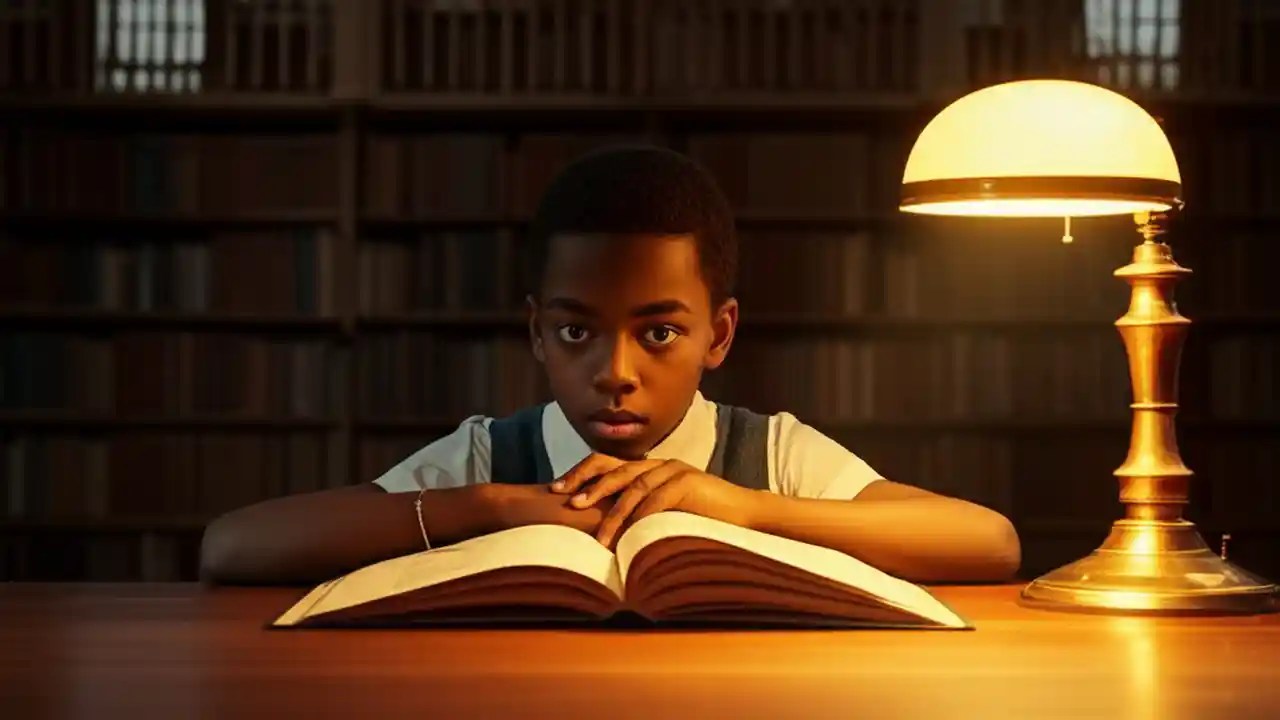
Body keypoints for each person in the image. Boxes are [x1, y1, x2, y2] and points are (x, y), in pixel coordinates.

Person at [200, 146, 1020, 585]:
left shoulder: (768, 455)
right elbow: (233, 548)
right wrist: (487, 506)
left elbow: (988, 541)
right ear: (536, 333)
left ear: (718, 335)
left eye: (658, 333)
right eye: (575, 332)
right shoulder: (492, 459)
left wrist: (744, 509)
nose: (615, 372)